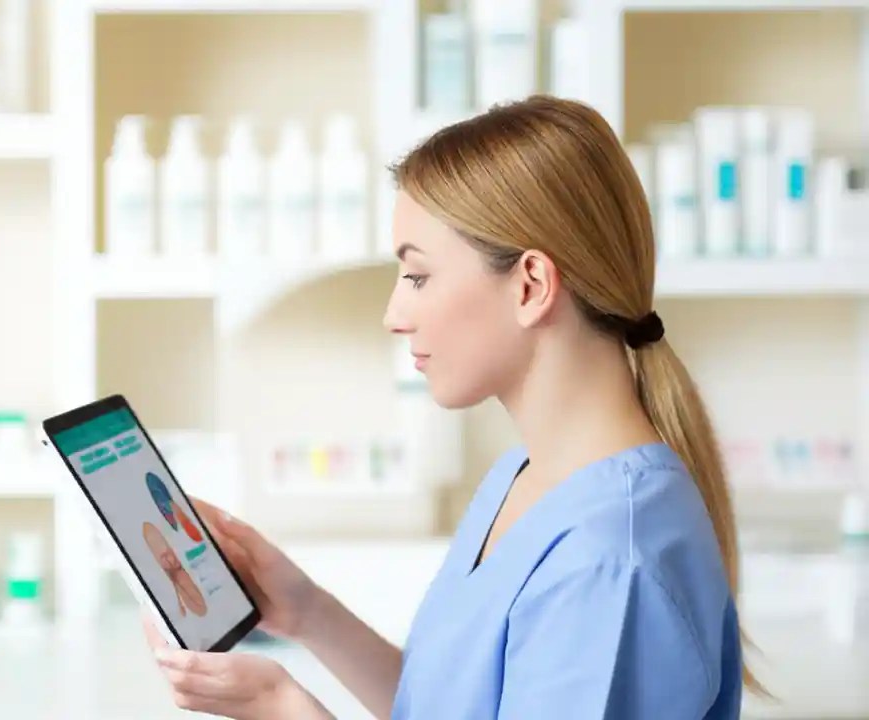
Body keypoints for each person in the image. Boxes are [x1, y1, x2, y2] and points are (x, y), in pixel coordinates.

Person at [142, 96, 757, 719]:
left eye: (417, 277)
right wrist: (308, 613)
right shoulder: (522, 478)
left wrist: (281, 706)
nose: (395, 315)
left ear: (530, 286)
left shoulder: (611, 565)